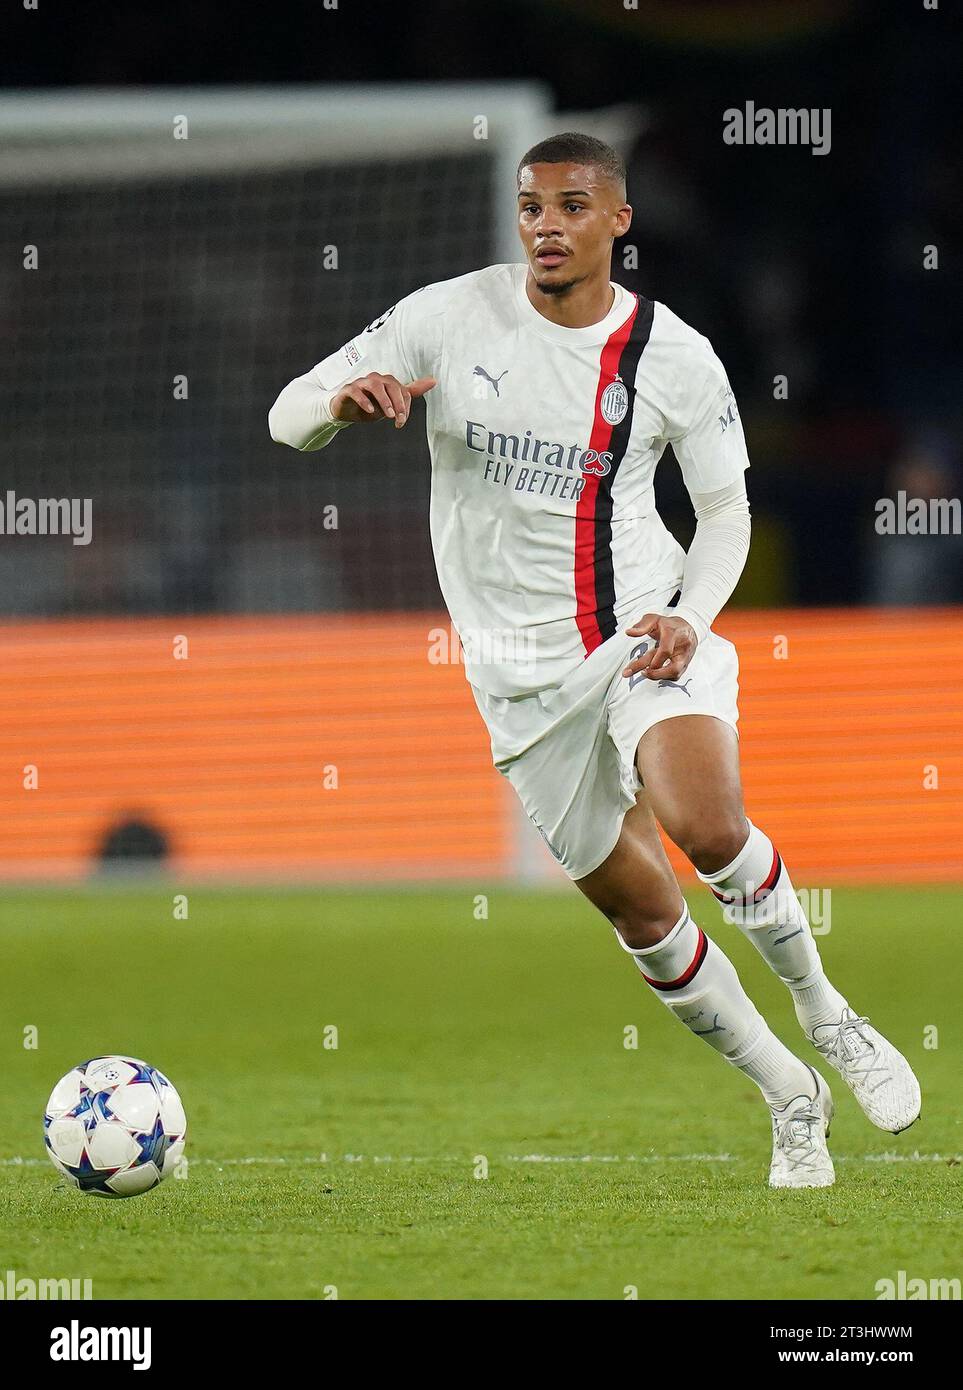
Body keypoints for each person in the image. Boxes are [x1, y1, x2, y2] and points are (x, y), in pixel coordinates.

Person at [269, 132, 920, 1187]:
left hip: (640, 632)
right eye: (532, 207)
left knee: (705, 824)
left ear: (619, 221)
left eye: (572, 206)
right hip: (515, 680)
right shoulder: (448, 316)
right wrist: (338, 409)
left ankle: (828, 1013)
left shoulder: (672, 355)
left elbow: (724, 515)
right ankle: (787, 1093)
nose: (546, 227)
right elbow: (285, 410)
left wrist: (692, 618)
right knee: (646, 917)